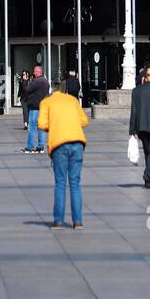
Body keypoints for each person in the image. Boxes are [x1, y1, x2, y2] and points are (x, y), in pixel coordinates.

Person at [38, 77, 89, 229]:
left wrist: (54, 126)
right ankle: (78, 222)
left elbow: (41, 124)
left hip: (59, 144)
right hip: (77, 142)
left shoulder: (46, 102)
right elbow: (84, 121)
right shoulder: (72, 101)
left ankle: (58, 221)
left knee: (60, 183)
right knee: (75, 183)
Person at [22, 64, 50, 154]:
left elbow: (27, 89)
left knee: (32, 127)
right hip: (43, 108)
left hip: (34, 107)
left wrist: (25, 81)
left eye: (34, 71)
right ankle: (40, 146)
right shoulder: (46, 82)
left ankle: (30, 147)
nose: (33, 73)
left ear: (38, 72)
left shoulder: (36, 81)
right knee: (41, 127)